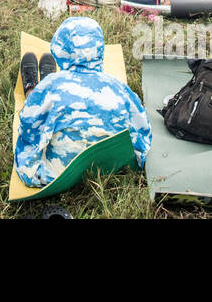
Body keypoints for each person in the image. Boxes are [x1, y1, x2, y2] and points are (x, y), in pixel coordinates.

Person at [14, 17, 151, 189]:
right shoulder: (120, 89)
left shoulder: (51, 86)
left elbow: (29, 125)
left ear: (60, 49)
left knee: (38, 105)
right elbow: (142, 131)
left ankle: (31, 90)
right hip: (112, 169)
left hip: (57, 174)